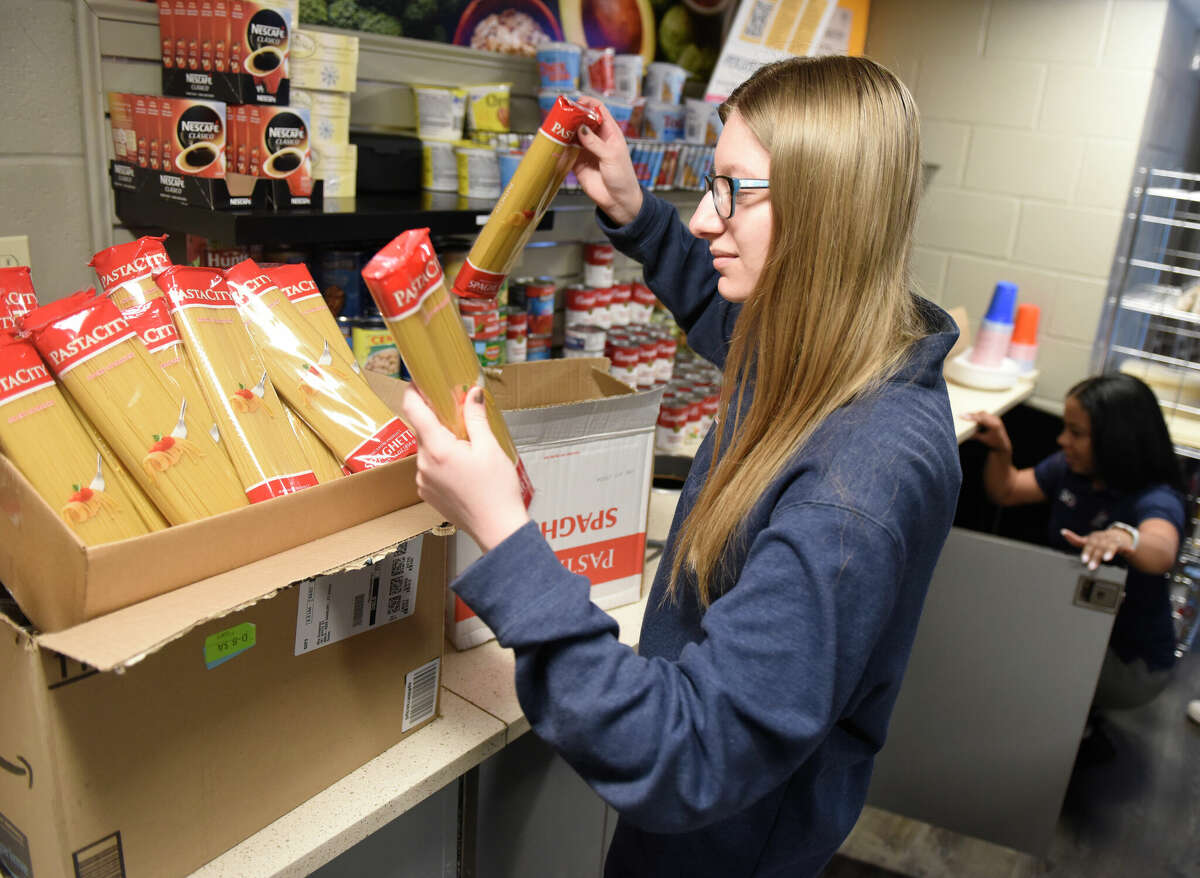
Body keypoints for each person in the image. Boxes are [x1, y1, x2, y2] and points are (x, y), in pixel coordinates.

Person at [402, 55, 962, 877]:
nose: (702, 219)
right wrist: (634, 211)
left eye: (734, 190)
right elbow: (731, 326)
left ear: (824, 211)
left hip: (729, 846)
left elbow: (688, 755)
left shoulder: (859, 482)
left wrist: (501, 529)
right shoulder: (835, 350)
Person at [965, 373, 1185, 712]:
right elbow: (1006, 490)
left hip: (1131, 665)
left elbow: (1160, 551)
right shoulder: (1073, 469)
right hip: (1080, 632)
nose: (1062, 439)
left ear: (1116, 440)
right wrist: (1001, 449)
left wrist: (1125, 536)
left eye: (1076, 433)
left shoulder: (1156, 497)